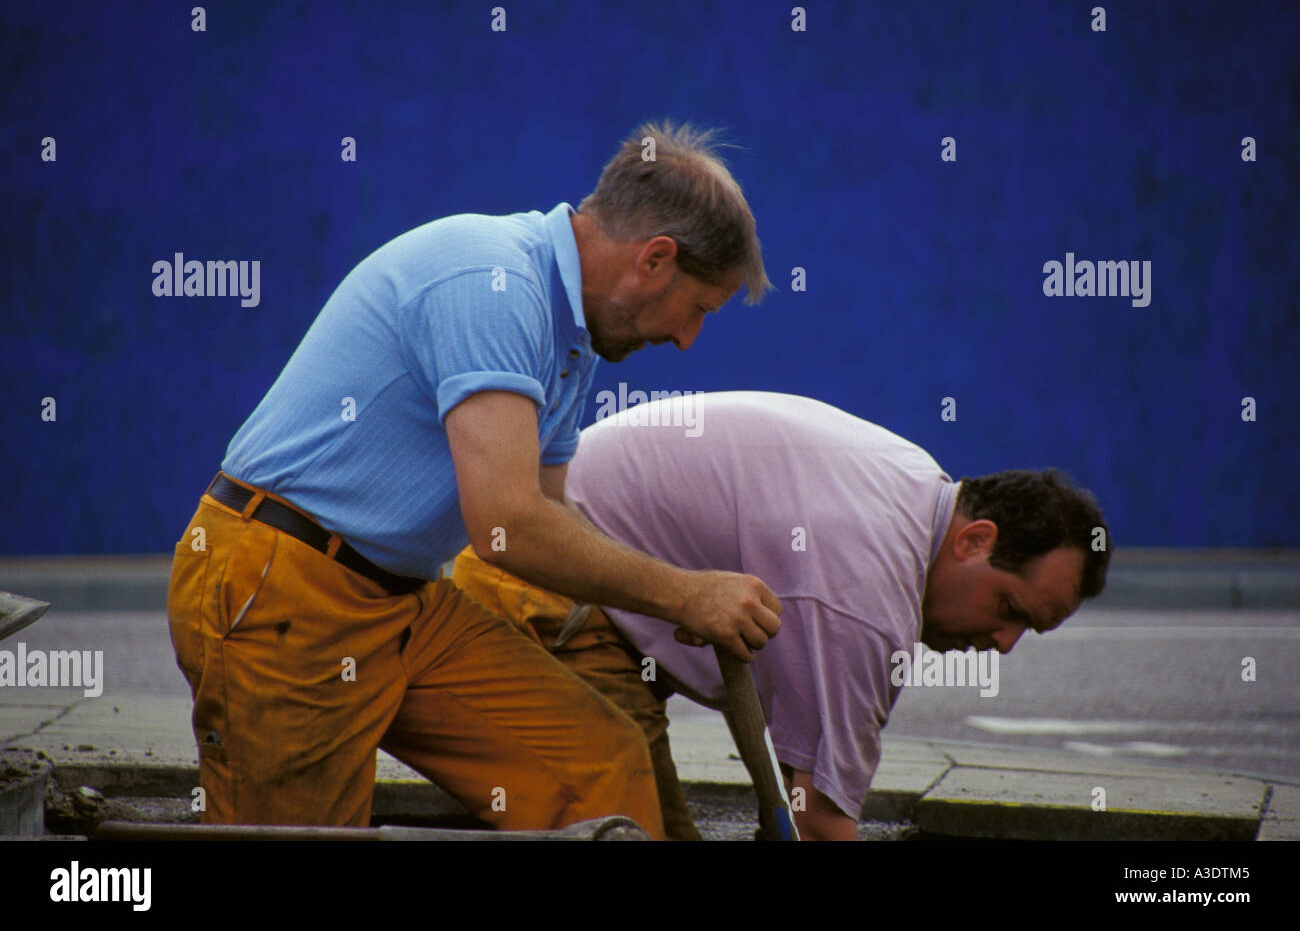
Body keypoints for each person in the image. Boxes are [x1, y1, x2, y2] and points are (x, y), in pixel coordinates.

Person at [165, 121, 782, 839]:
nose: (688, 339)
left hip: (402, 603)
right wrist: (685, 593)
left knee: (598, 766)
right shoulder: (493, 282)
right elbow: (507, 526)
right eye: (700, 309)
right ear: (654, 259)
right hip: (280, 587)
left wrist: (650, 632)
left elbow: (551, 523)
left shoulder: (571, 336)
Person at [453, 391, 1111, 840]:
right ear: (975, 540)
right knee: (631, 833)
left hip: (576, 577)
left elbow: (792, 801)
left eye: (1029, 631)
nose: (1002, 644)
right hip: (541, 590)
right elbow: (823, 822)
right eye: (1009, 610)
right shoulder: (866, 596)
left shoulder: (912, 490)